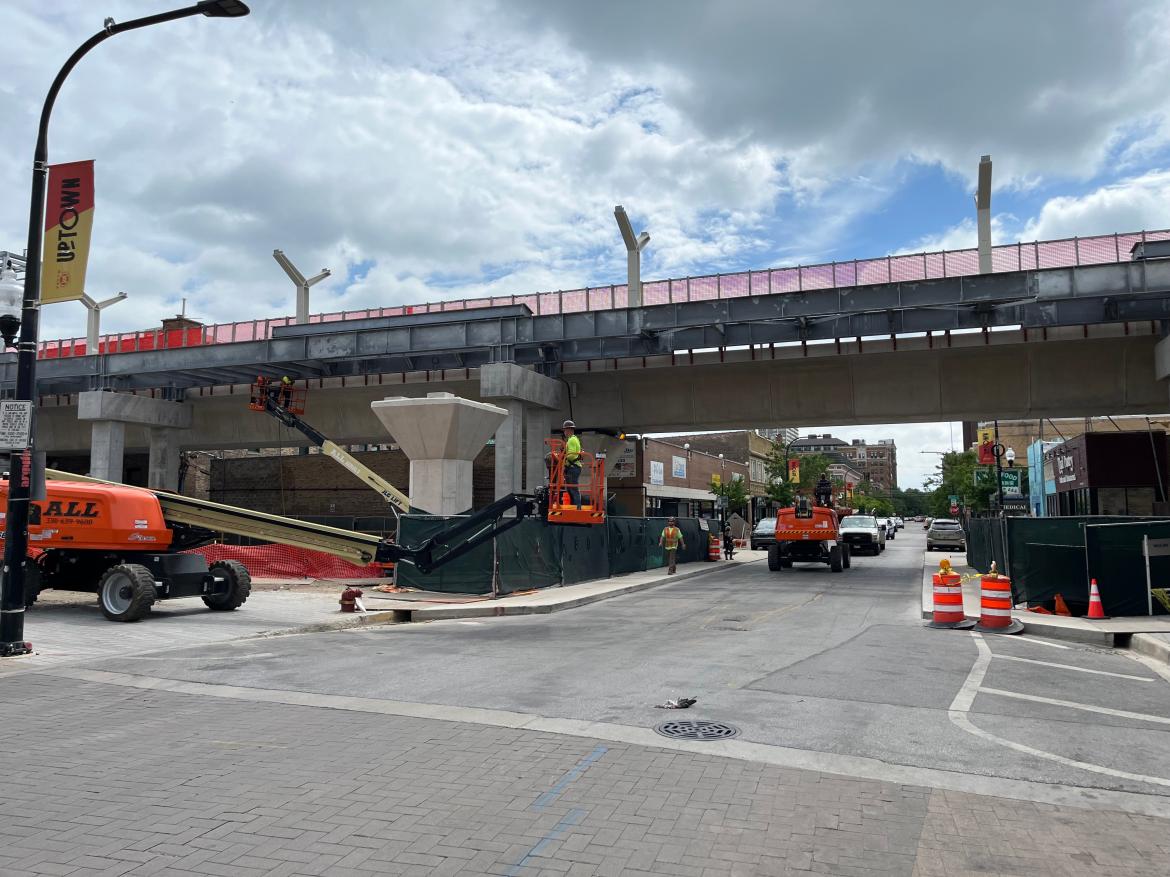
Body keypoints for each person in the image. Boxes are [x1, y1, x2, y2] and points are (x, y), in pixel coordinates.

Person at [561, 419, 582, 507]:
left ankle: (577, 507)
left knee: (573, 488)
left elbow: (572, 455)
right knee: (571, 488)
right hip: (573, 467)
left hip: (573, 467)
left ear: (569, 430)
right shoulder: (573, 439)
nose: (564, 432)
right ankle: (575, 505)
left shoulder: (571, 440)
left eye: (565, 430)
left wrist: (564, 457)